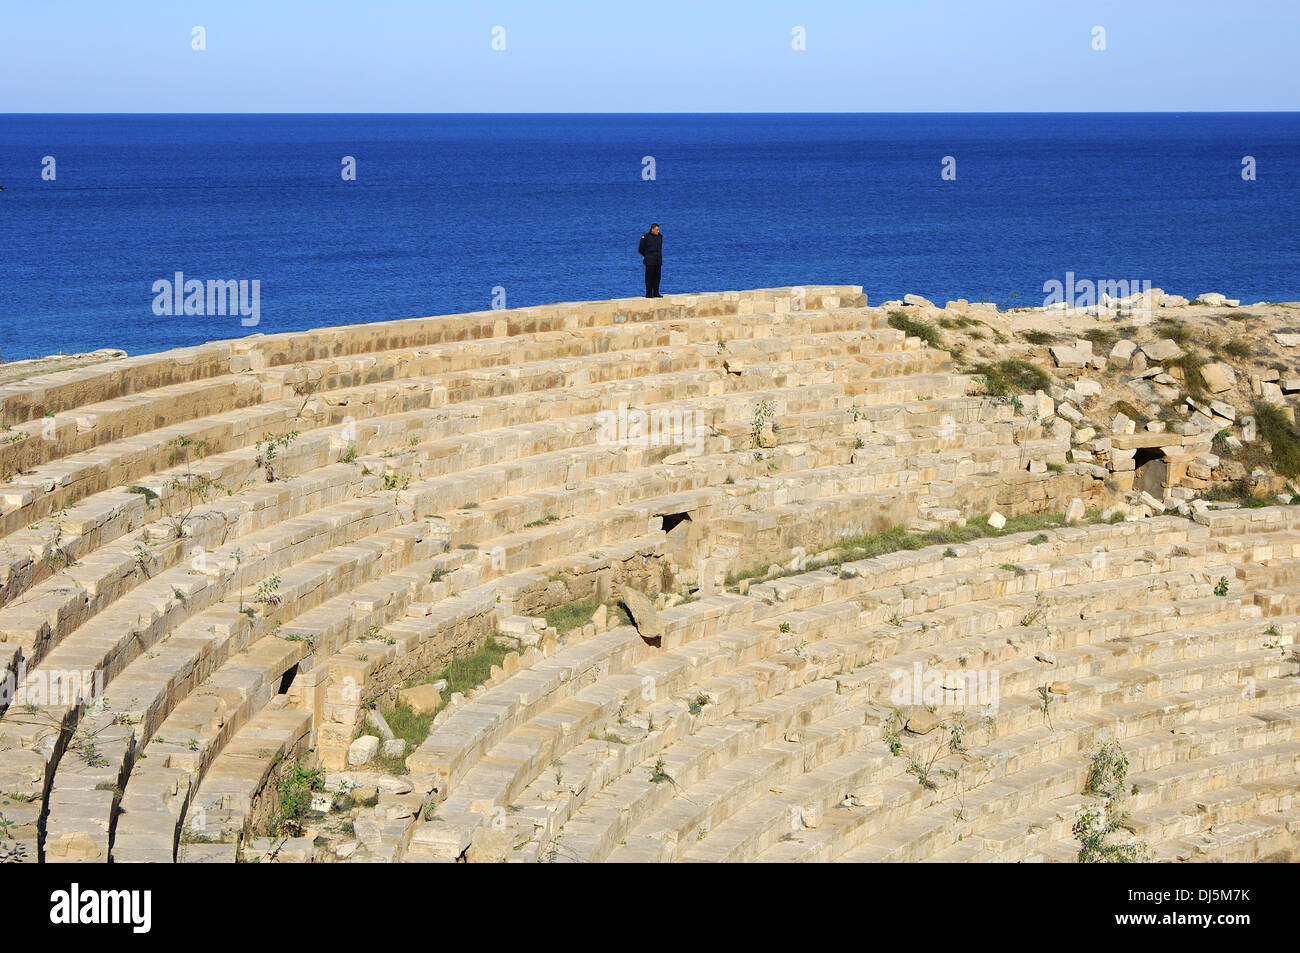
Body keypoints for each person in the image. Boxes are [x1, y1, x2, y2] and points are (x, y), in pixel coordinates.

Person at [638, 223, 663, 297]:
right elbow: (640, 249)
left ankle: (656, 292)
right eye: (656, 230)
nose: (658, 231)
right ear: (652, 229)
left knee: (657, 277)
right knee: (649, 278)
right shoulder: (645, 237)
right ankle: (649, 293)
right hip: (649, 261)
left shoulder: (660, 237)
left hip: (658, 260)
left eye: (658, 230)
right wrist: (647, 255)